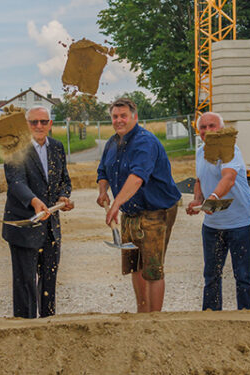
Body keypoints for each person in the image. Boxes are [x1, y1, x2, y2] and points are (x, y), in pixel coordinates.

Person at [96, 97, 181, 313]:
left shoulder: (145, 142)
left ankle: (154, 318)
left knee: (152, 268)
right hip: (131, 211)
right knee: (135, 265)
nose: (119, 120)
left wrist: (116, 205)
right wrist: (103, 191)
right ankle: (141, 314)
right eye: (115, 116)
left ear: (134, 117)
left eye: (123, 116)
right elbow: (103, 171)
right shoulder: (113, 143)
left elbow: (137, 177)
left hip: (156, 210)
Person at [2, 106, 74, 318]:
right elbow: (16, 182)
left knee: (49, 281)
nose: (39, 126)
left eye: (43, 122)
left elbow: (64, 181)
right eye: (34, 122)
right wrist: (34, 202)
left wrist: (63, 196)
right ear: (26, 125)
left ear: (50, 124)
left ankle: (47, 325)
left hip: (51, 228)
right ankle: (26, 328)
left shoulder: (57, 148)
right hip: (24, 225)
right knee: (25, 284)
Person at [185, 111, 250, 311]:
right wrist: (197, 200)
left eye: (212, 126)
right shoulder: (200, 152)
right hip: (212, 226)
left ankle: (246, 319)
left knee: (242, 276)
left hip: (239, 224)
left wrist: (213, 198)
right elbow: (200, 179)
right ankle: (212, 319)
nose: (208, 131)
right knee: (211, 276)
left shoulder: (230, 151)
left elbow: (228, 178)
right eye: (203, 127)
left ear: (221, 129)